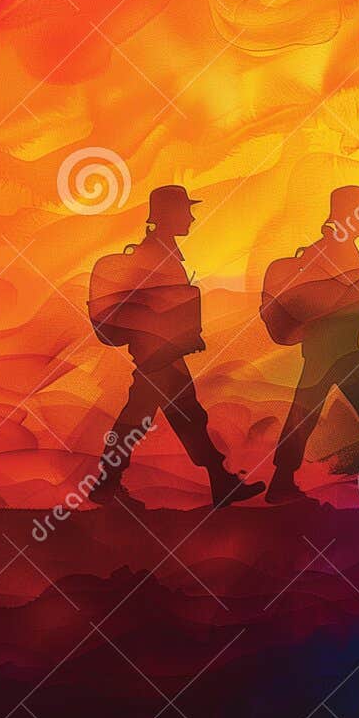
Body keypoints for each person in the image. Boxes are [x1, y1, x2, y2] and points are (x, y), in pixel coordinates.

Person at [90, 186, 263, 507]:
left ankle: (108, 482)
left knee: (172, 417)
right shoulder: (156, 255)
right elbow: (157, 307)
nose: (192, 216)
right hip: (158, 354)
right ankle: (105, 483)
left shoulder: (159, 251)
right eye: (186, 210)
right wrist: (178, 337)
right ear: (170, 215)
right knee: (157, 418)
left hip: (160, 352)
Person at [265, 186, 359, 503]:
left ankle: (281, 481)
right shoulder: (340, 251)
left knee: (306, 414)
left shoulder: (329, 248)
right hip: (339, 351)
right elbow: (343, 308)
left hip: (326, 350)